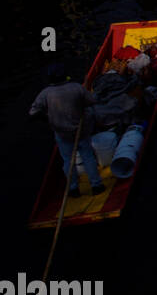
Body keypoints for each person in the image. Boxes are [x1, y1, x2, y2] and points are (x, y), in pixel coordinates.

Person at [30, 63, 104, 197]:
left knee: (68, 161)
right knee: (88, 157)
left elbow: (33, 113)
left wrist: (49, 119)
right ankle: (96, 185)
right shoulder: (76, 88)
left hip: (62, 134)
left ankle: (73, 189)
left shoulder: (46, 93)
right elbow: (93, 100)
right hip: (80, 131)